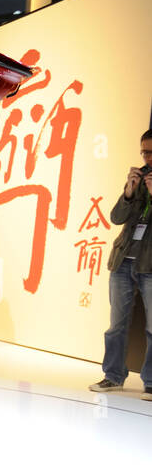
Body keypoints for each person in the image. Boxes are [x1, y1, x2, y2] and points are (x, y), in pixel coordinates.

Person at [89, 129, 152, 398]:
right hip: (123, 261)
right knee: (116, 324)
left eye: (150, 152)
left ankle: (150, 381)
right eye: (143, 152)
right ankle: (113, 376)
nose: (146, 157)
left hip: (150, 264)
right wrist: (129, 191)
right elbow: (116, 217)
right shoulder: (138, 177)